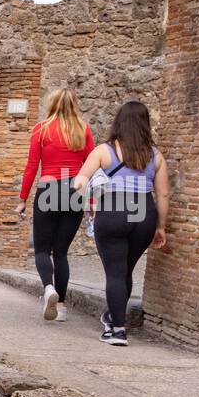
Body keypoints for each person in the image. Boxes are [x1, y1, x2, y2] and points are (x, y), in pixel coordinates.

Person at [74, 100, 168, 347]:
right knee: (125, 269)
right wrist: (160, 226)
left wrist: (88, 200)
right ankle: (113, 317)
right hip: (144, 214)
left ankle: (117, 330)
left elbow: (80, 181)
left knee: (115, 271)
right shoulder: (155, 156)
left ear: (118, 122)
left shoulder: (104, 151)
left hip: (113, 210)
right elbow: (163, 195)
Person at [16, 88, 95, 322]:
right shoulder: (83, 129)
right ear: (74, 105)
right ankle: (61, 307)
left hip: (49, 189)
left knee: (42, 249)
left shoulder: (41, 130)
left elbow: (31, 166)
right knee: (61, 252)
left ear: (51, 105)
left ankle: (48, 287)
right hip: (75, 191)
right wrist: (91, 201)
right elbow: (92, 167)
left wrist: (22, 199)